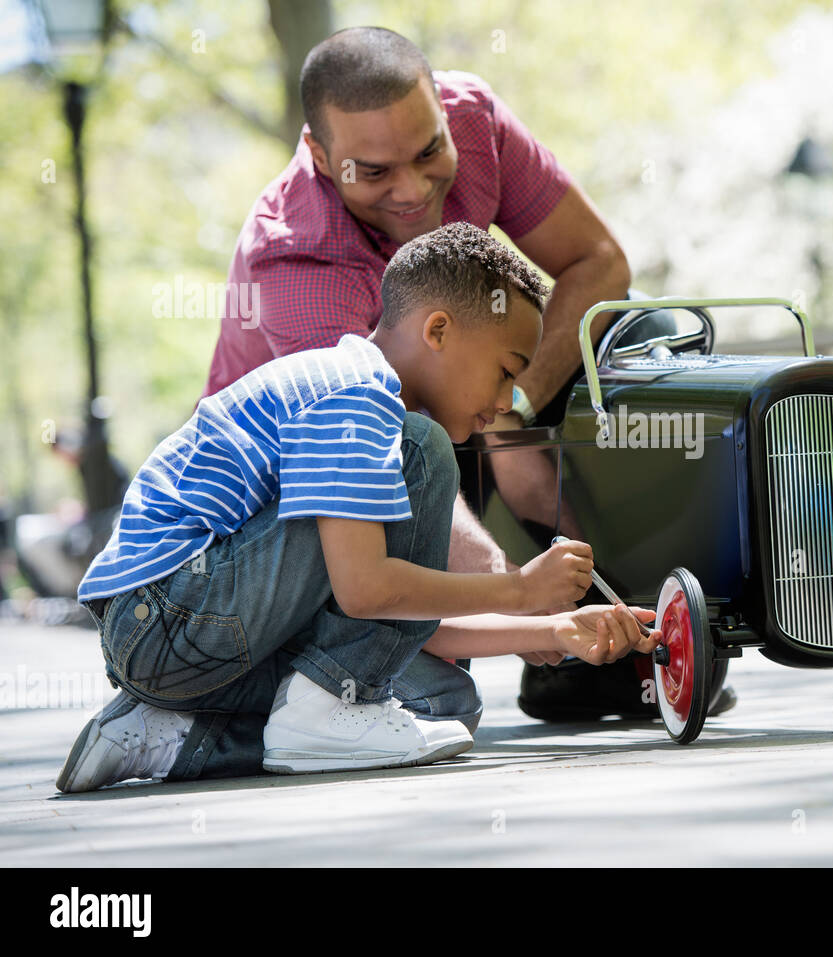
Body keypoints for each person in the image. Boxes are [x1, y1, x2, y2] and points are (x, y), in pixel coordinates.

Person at [198, 25, 733, 722]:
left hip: (443, 410)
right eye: (376, 171)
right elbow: (378, 456)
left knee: (637, 333)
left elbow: (597, 263)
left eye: (428, 152)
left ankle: (627, 627)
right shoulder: (297, 262)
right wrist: (510, 593)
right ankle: (249, 694)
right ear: (321, 159)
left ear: (445, 115)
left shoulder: (475, 116)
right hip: (304, 503)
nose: (415, 191)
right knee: (438, 700)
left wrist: (513, 412)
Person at [56, 224, 660, 793]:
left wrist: (550, 627)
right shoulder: (359, 395)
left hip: (187, 635)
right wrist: (519, 590)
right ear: (439, 330)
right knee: (423, 449)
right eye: (505, 372)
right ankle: (317, 713)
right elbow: (367, 591)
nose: (505, 402)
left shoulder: (367, 404)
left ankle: (166, 736)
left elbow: (396, 623)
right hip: (167, 610)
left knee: (444, 701)